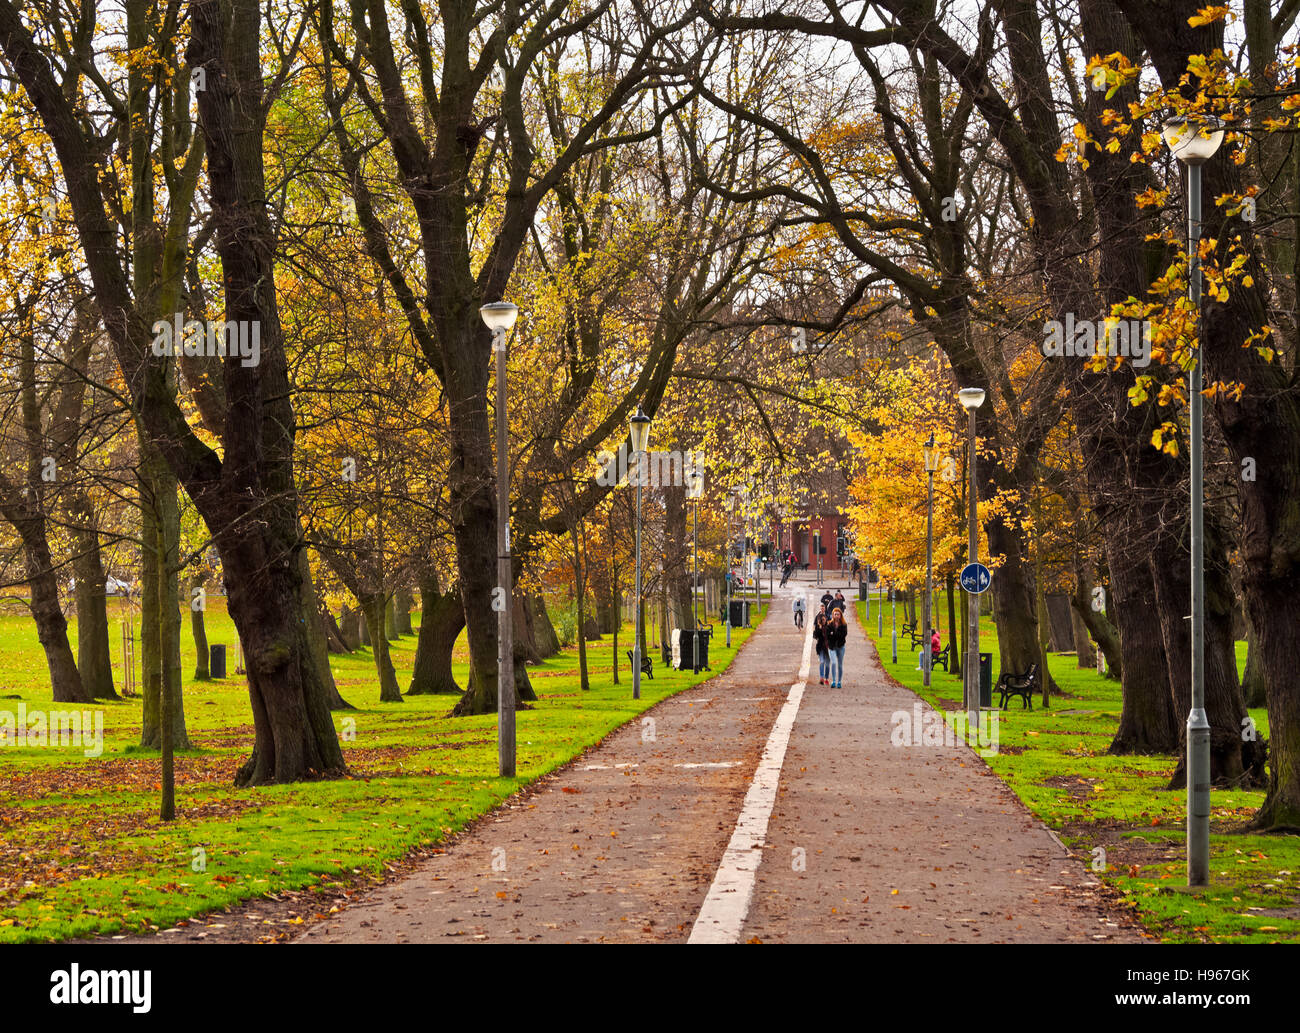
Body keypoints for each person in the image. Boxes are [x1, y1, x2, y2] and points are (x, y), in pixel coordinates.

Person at [827, 608, 848, 687]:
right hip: (832, 647)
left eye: (838, 614)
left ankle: (839, 681)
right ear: (833, 615)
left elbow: (843, 635)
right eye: (835, 614)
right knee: (833, 663)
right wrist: (833, 634)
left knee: (839, 664)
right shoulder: (829, 624)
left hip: (840, 646)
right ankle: (833, 681)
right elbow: (828, 635)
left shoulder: (844, 625)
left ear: (840, 615)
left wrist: (834, 633)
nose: (836, 616)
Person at [813, 612, 830, 685]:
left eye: (824, 619)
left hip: (828, 648)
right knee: (822, 661)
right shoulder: (818, 628)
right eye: (822, 620)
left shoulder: (829, 627)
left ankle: (826, 678)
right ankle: (821, 678)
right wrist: (819, 628)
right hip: (820, 647)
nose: (823, 621)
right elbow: (815, 636)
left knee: (827, 664)